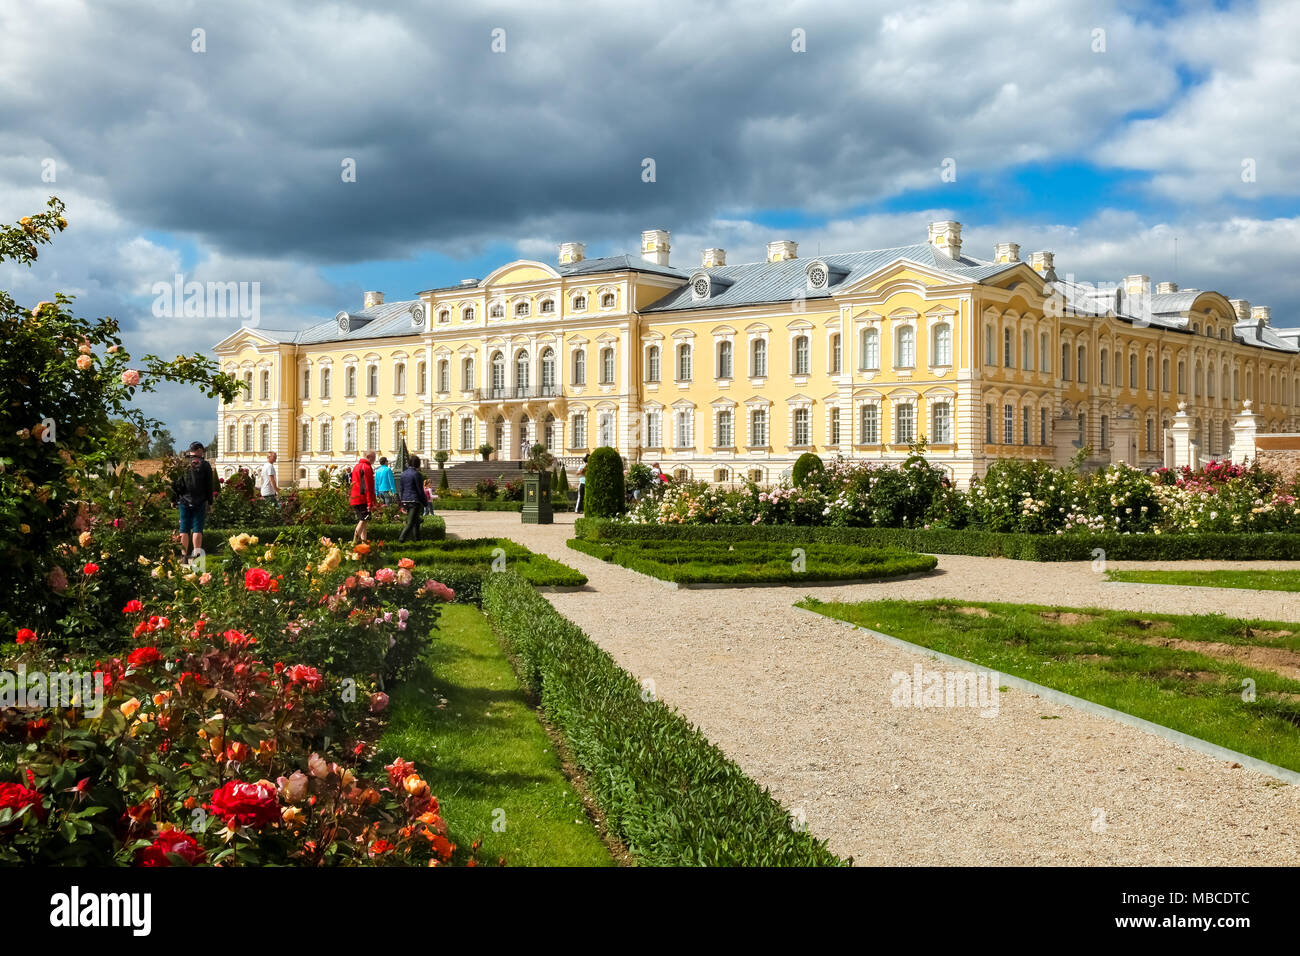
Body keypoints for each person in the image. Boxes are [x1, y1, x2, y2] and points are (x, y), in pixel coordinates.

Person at [172, 441, 216, 561]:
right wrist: (210, 502)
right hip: (200, 501)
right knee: (197, 529)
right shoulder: (205, 465)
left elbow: (176, 483)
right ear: (200, 451)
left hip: (184, 501)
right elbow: (209, 485)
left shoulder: (183, 464)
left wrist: (174, 499)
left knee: (184, 529)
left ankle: (184, 556)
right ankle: (196, 555)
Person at [349, 450, 379, 545]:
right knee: (363, 520)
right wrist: (370, 503)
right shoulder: (366, 467)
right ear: (369, 456)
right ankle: (354, 542)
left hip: (356, 497)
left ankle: (364, 542)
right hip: (361, 498)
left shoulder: (357, 466)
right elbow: (367, 486)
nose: (374, 460)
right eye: (374, 458)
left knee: (364, 520)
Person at [397, 456, 429, 542]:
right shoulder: (417, 474)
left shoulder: (403, 473)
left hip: (405, 500)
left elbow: (401, 489)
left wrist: (401, 501)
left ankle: (417, 540)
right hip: (414, 501)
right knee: (410, 523)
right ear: (418, 464)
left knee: (415, 522)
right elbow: (420, 490)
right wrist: (425, 503)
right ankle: (401, 539)